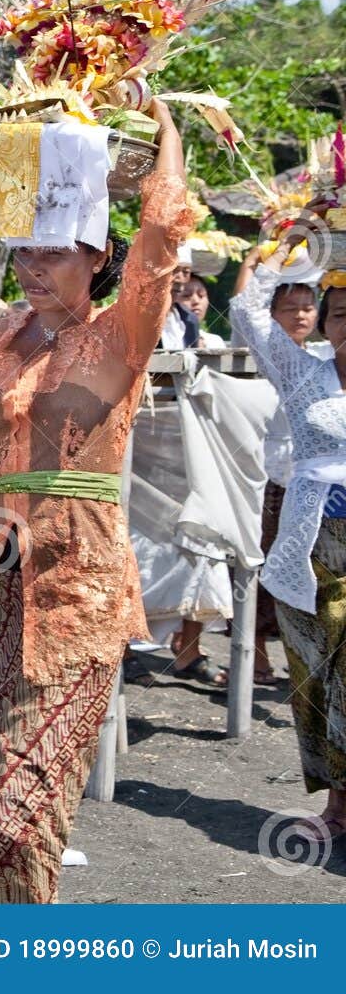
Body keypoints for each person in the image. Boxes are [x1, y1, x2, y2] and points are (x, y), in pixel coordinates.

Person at [0, 99, 195, 903]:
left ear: (99, 253)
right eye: (23, 250)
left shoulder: (118, 335)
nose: (33, 268)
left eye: (54, 252)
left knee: (20, 801)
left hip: (79, 588)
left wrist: (166, 133)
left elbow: (161, 247)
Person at [230, 228, 346, 843]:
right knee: (316, 674)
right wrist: (289, 252)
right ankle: (335, 802)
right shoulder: (302, 374)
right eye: (341, 314)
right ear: (325, 325)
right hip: (309, 541)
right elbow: (248, 311)